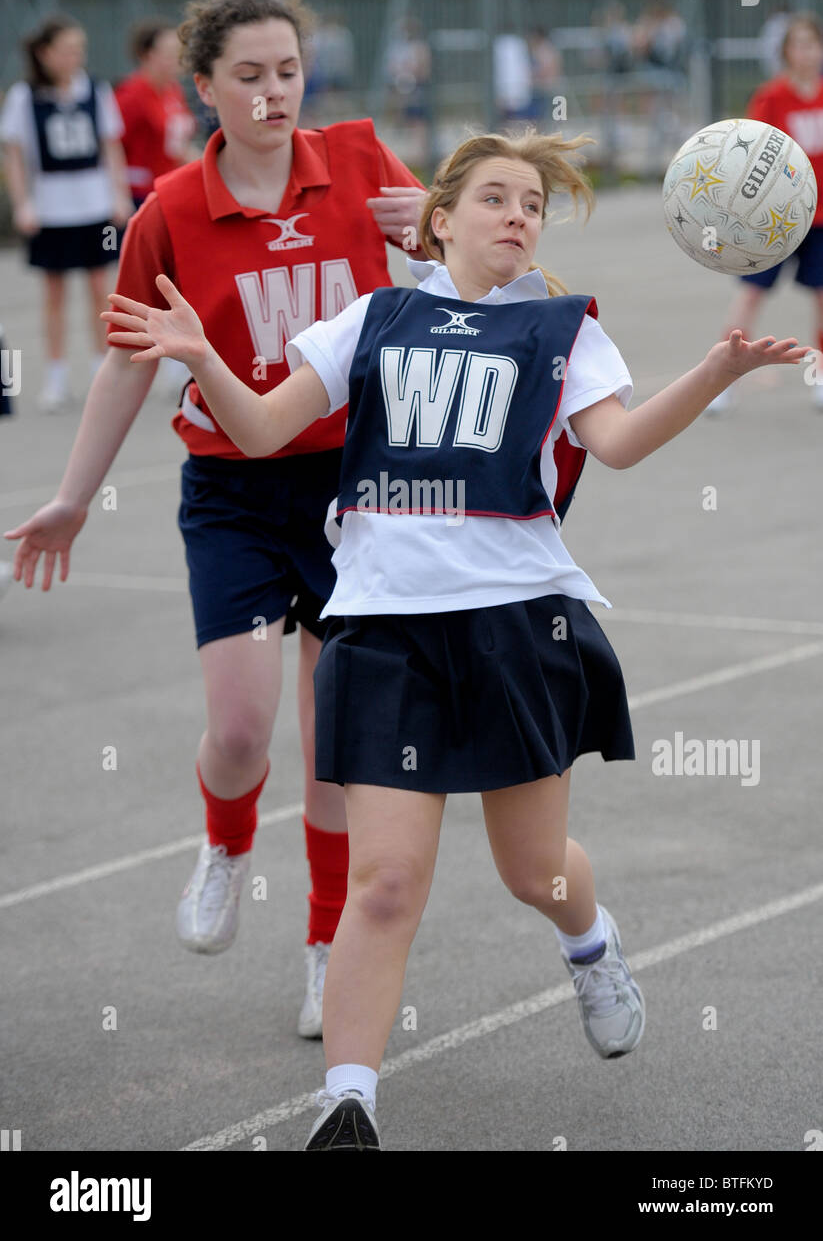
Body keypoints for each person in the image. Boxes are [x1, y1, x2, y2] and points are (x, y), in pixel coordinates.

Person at [94, 127, 811, 1151]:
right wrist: (204, 353)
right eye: (495, 199)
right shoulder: (374, 318)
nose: (518, 215)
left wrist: (711, 372)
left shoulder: (562, 330)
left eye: (531, 204)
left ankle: (590, 943)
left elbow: (615, 446)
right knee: (386, 882)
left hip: (519, 624)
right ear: (438, 221)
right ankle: (347, 1103)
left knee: (535, 872)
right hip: (384, 629)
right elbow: (257, 432)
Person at [3, 0, 426, 1039]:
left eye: (289, 69)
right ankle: (227, 846)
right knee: (238, 732)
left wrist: (428, 229)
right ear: (204, 87)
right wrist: (69, 498)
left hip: (359, 491)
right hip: (234, 489)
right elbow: (126, 367)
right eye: (250, 74)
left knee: (335, 742)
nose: (276, 91)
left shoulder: (367, 164)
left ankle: (329, 952)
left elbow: (474, 270)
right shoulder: (170, 215)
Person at [0, 15, 133, 410]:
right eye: (67, 49)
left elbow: (111, 147)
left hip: (93, 203)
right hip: (51, 208)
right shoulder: (26, 96)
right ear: (45, 54)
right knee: (54, 295)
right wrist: (23, 203)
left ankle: (98, 367)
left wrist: (119, 195)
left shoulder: (95, 90)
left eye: (79, 49)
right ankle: (56, 374)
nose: (75, 56)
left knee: (99, 289)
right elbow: (16, 156)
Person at [706, 12, 823, 415]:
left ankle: (819, 377)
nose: (807, 52)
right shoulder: (772, 97)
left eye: (813, 44)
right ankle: (721, 380)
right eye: (799, 45)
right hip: (776, 220)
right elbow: (753, 151)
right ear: (786, 52)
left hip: (820, 218)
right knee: (750, 295)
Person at [115, 17, 200, 396]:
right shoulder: (131, 96)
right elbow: (112, 148)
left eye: (176, 54)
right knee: (150, 282)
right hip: (141, 198)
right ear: (147, 55)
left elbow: (178, 147)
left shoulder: (173, 93)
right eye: (166, 53)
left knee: (179, 278)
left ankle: (177, 359)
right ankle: (145, 362)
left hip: (172, 194)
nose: (174, 61)